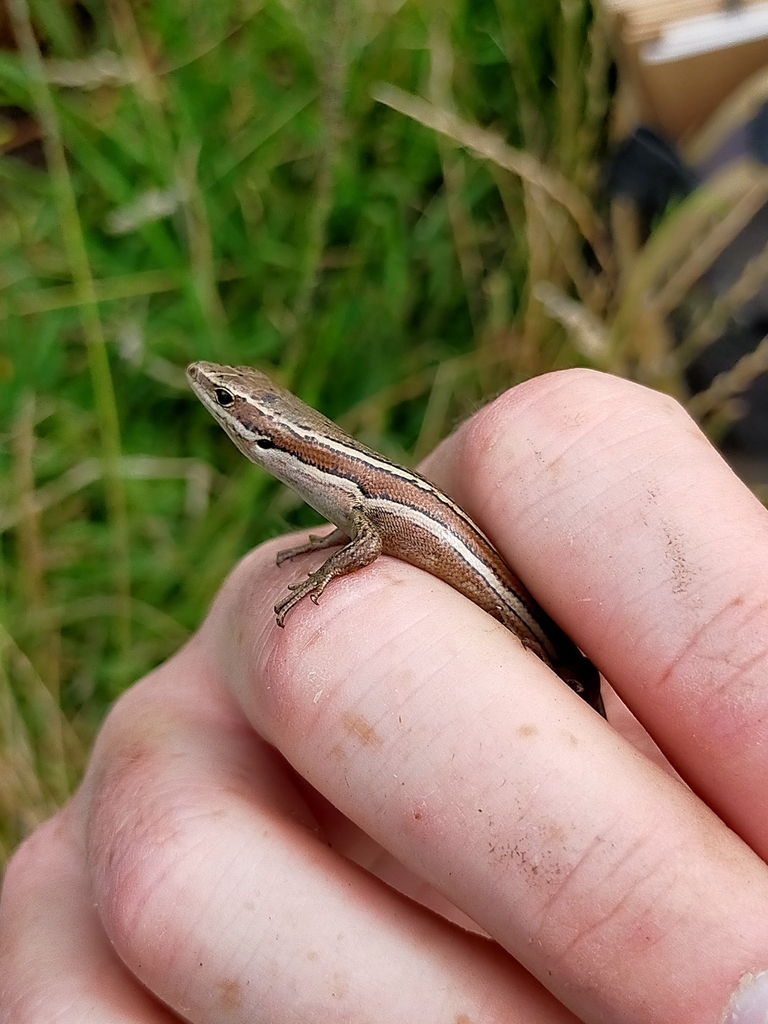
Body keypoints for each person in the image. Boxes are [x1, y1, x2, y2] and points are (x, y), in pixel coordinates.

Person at [2, 368, 768, 1024]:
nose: (215, 397)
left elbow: (370, 531)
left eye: (231, 400)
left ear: (266, 428)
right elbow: (361, 521)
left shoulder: (345, 484)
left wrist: (328, 569)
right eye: (226, 399)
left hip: (517, 613)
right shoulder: (333, 479)